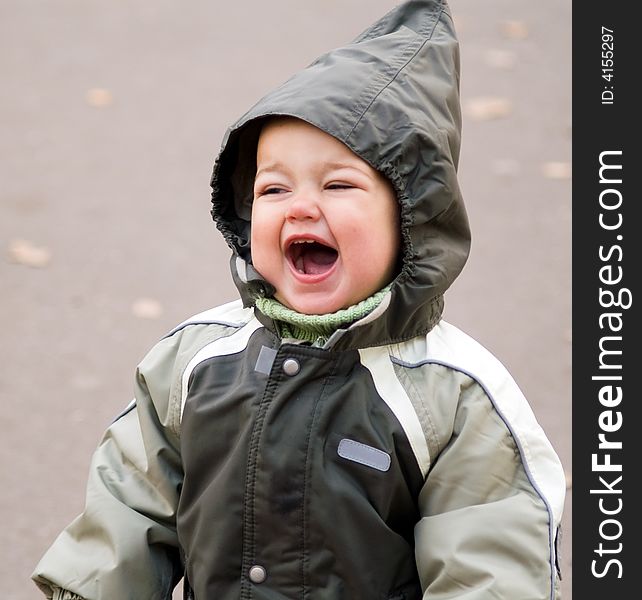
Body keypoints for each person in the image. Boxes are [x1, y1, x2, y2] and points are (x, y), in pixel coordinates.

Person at [32, 1, 566, 598]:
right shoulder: (194, 361)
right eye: (274, 187)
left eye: (339, 184)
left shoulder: (454, 399)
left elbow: (489, 570)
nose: (300, 207)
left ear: (411, 216)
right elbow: (125, 513)